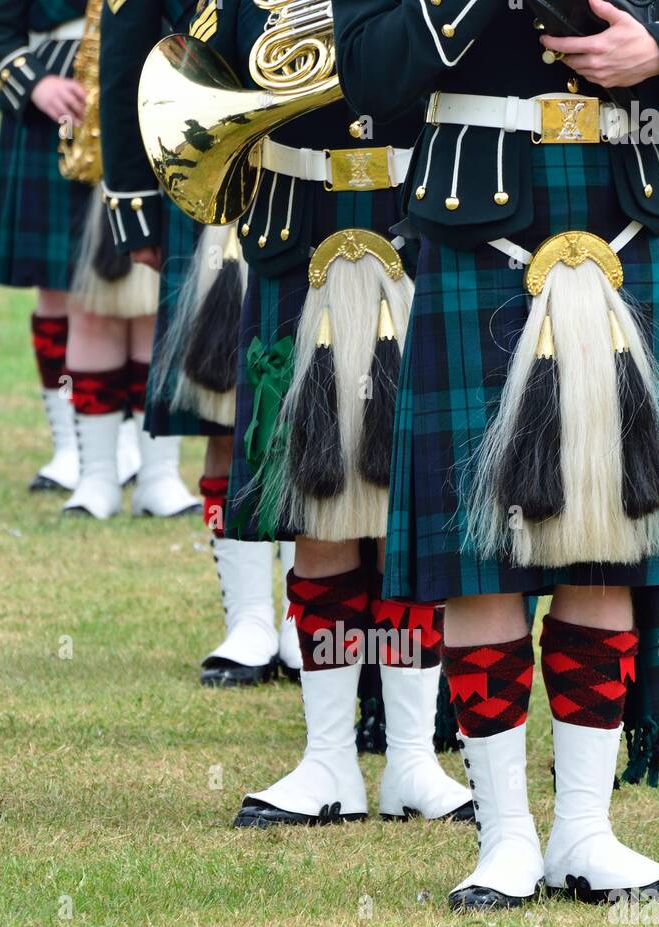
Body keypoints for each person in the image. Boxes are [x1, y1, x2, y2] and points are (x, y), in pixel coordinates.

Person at [334, 0, 659, 908]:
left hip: (631, 212)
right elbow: (370, 70)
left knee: (608, 536)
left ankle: (584, 831)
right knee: (483, 560)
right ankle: (504, 837)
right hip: (476, 216)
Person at [178, 1, 471, 825]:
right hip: (297, 231)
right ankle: (327, 760)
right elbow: (214, 60)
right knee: (321, 500)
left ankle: (413, 760)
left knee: (412, 511)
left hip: (427, 224)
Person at [99, 0, 298, 682]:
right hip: (218, 176)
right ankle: (247, 619)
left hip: (339, 167)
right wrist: (133, 200)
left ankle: (308, 616)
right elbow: (130, 40)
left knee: (322, 404)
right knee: (228, 405)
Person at [0, 0, 144, 498]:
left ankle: (129, 436)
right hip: (56, 104)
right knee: (57, 289)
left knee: (138, 289)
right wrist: (35, 83)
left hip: (136, 91)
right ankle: (70, 442)